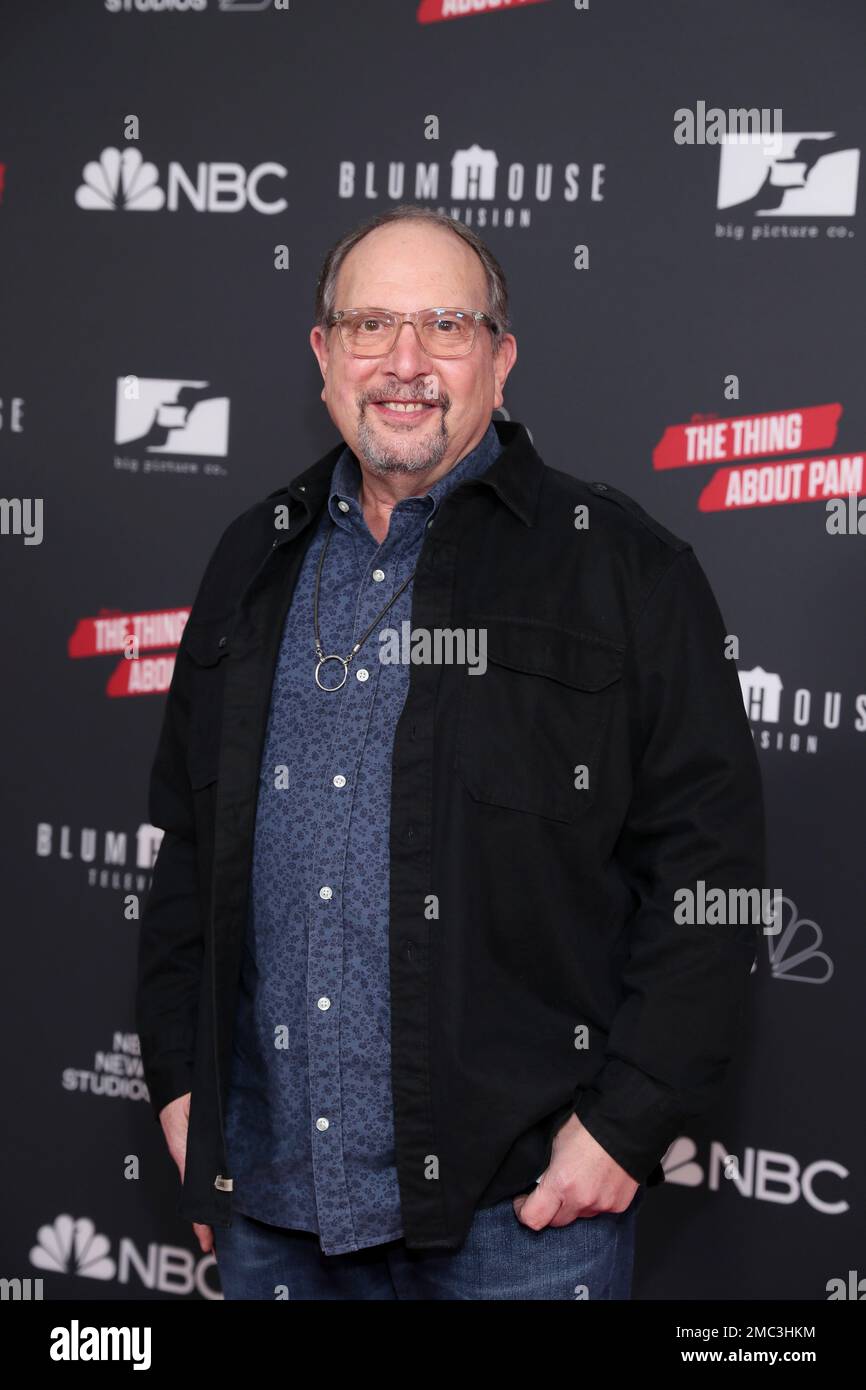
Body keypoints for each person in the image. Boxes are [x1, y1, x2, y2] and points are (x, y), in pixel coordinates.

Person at [136, 204, 765, 1300]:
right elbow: (187, 856)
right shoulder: (249, 557)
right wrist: (182, 1092)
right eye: (371, 325)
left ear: (501, 358)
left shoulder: (623, 570)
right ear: (324, 357)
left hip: (513, 1220)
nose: (406, 363)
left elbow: (708, 876)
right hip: (270, 1203)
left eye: (446, 325)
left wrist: (623, 1124)